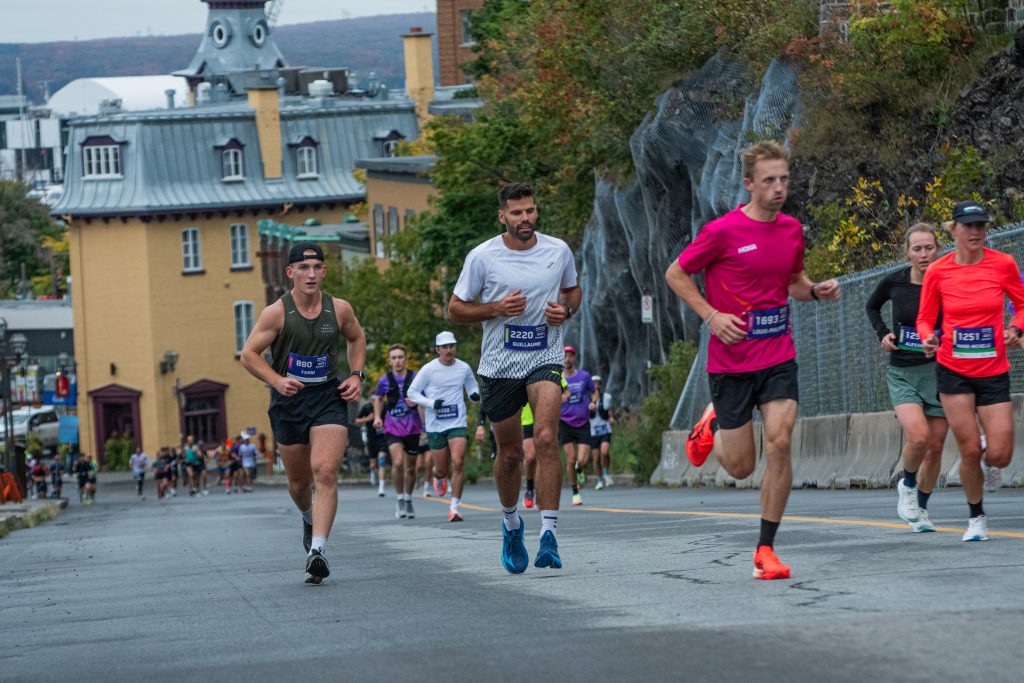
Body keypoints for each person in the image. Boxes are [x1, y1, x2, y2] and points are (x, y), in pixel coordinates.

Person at [665, 140, 841, 580]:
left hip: (778, 355)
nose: (779, 187)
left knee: (780, 442)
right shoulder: (722, 232)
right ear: (748, 184)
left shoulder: (791, 230)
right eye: (769, 180)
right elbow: (676, 273)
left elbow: (794, 281)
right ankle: (713, 423)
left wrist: (816, 291)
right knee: (742, 465)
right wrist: (711, 314)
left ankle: (766, 548)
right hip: (731, 363)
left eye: (784, 178)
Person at [448, 181, 581, 573]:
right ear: (502, 216)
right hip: (499, 365)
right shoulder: (482, 257)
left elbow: (573, 292)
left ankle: (549, 535)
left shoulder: (558, 250)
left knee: (544, 438)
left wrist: (566, 313)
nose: (526, 219)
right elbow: (455, 310)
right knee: (508, 455)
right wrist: (495, 308)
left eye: (531, 211)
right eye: (517, 213)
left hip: (545, 356)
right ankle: (510, 524)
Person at [240, 241, 366, 585]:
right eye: (304, 269)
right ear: (290, 272)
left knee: (325, 472)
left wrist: (356, 375)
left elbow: (356, 338)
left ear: (324, 271)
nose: (311, 275)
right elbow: (249, 355)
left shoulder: (338, 309)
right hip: (289, 401)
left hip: (328, 396)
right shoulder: (276, 313)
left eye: (317, 268)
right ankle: (309, 519)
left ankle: (318, 551)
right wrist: (277, 380)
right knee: (299, 482)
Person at [917, 200, 1024, 542]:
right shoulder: (938, 270)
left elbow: (1022, 305)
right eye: (969, 226)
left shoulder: (1003, 264)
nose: (976, 231)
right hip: (953, 370)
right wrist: (928, 338)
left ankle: (988, 453)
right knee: (967, 451)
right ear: (955, 231)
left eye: (981, 226)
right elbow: (924, 318)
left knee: (1001, 454)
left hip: (992, 369)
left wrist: (1016, 329)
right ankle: (976, 517)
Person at [865, 223, 948, 532]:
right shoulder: (895, 281)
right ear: (907, 252)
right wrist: (883, 333)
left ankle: (921, 508)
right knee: (919, 437)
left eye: (929, 247)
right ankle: (908, 483)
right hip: (903, 371)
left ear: (937, 249)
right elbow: (872, 306)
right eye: (917, 248)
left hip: (939, 372)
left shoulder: (946, 279)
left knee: (936, 446)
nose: (924, 254)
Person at [407, 331, 481, 522]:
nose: (449, 350)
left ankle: (454, 507)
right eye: (445, 347)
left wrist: (473, 395)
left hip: (457, 422)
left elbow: (472, 386)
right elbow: (412, 392)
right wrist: (431, 403)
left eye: (452, 346)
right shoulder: (429, 369)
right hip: (435, 424)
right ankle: (438, 477)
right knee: (442, 469)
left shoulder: (463, 368)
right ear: (438, 349)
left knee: (458, 461)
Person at [372, 344, 423, 520]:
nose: (397, 361)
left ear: (405, 359)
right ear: (389, 361)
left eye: (400, 357)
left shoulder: (415, 377)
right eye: (394, 358)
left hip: (413, 427)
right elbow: (378, 399)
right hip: (392, 426)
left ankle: (408, 498)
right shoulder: (384, 380)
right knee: (398, 462)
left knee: (411, 467)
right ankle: (400, 498)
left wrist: (416, 403)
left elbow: (424, 397)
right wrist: (377, 417)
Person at [520, 373, 569, 508]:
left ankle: (542, 494)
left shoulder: (549, 365)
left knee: (544, 456)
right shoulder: (520, 366)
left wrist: (562, 397)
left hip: (545, 417)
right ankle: (530, 488)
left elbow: (567, 391)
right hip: (527, 420)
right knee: (530, 457)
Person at [558, 346, 597, 506]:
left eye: (570, 356)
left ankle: (579, 469)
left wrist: (593, 402)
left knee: (581, 460)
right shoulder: (557, 377)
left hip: (583, 422)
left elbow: (594, 392)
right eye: (565, 356)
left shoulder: (584, 376)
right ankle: (575, 492)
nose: (567, 359)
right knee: (571, 459)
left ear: (574, 358)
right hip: (565, 421)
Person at [355, 399, 389, 497]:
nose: (376, 402)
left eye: (379, 400)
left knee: (381, 460)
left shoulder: (386, 407)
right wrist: (367, 419)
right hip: (371, 439)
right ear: (371, 400)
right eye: (374, 400)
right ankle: (373, 471)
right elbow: (356, 421)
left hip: (383, 438)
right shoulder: (366, 407)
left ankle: (381, 488)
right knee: (373, 464)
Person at [588, 375, 616, 490]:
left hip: (605, 429)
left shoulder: (607, 397)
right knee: (595, 457)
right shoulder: (586, 399)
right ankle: (599, 480)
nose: (596, 385)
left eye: (598, 383)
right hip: (593, 431)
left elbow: (611, 410)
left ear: (601, 384)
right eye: (593, 383)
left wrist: (612, 417)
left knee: (604, 452)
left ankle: (606, 473)